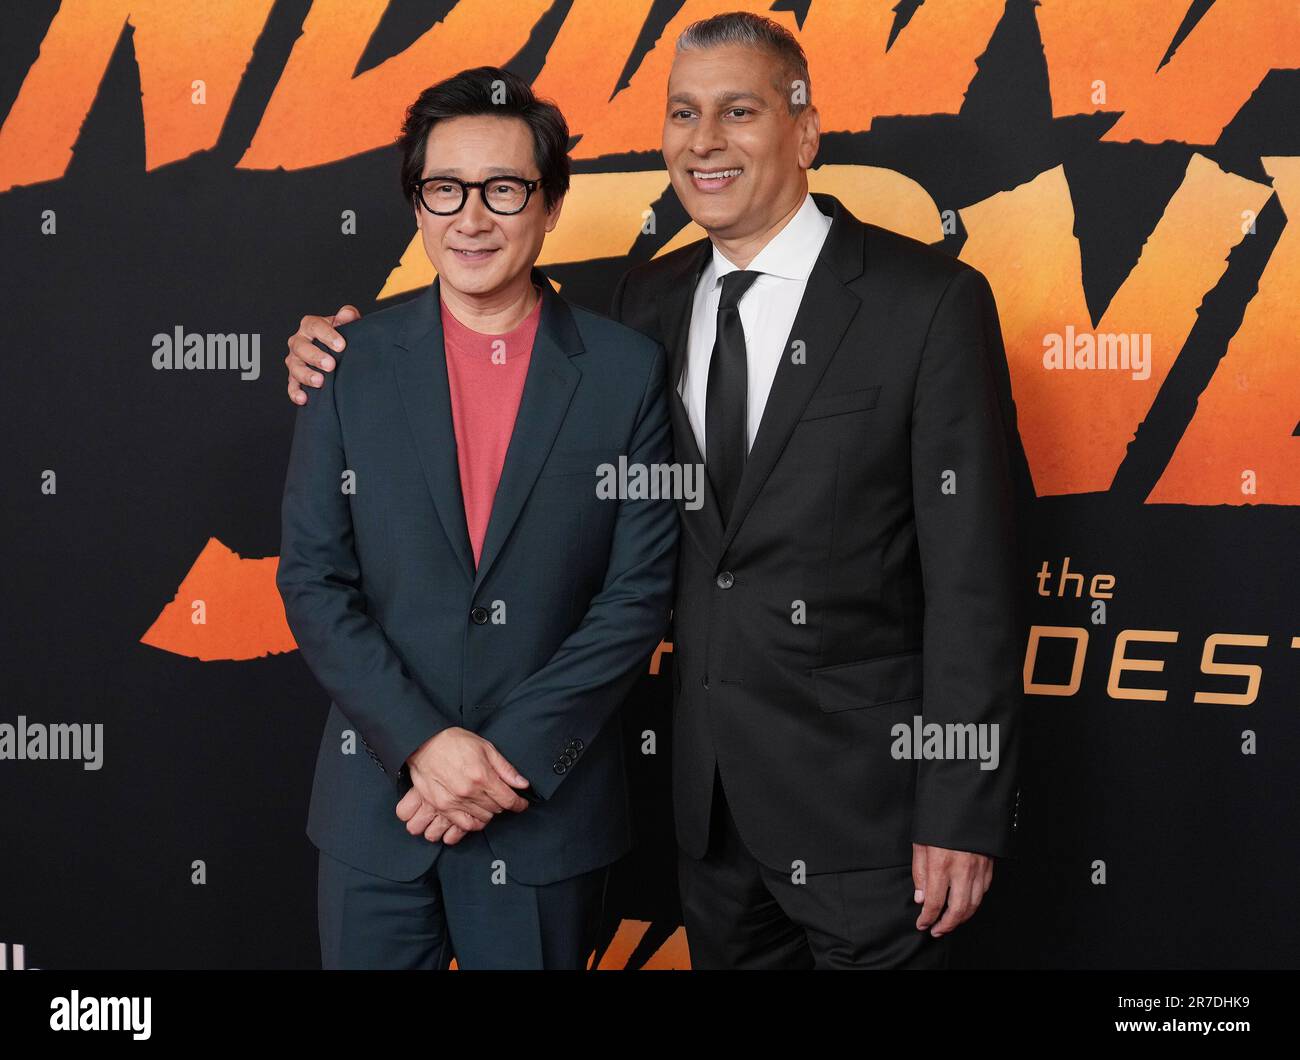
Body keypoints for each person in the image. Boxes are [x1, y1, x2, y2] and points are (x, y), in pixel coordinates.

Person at [285, 13, 1024, 970]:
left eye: (738, 110)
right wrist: (331, 346)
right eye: (683, 113)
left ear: (804, 130)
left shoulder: (926, 303)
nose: (704, 140)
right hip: (708, 825)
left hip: (868, 821)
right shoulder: (648, 307)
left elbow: (977, 584)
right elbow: (482, 333)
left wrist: (962, 809)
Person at [276, 67, 678, 970]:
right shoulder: (346, 361)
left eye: (504, 189)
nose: (472, 218)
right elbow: (313, 577)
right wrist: (420, 744)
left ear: (550, 205)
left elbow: (638, 596)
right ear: (416, 205)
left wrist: (498, 766)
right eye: (444, 189)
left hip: (544, 817)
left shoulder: (626, 373)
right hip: (377, 810)